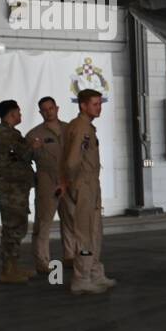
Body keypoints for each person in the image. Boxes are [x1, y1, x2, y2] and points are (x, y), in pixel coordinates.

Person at [60, 88, 114, 295]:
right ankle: (82, 277)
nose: (99, 108)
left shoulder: (85, 126)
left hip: (90, 184)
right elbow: (72, 161)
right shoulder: (82, 128)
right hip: (84, 185)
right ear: (83, 105)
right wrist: (74, 184)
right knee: (84, 234)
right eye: (95, 104)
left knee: (94, 231)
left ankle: (94, 272)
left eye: (100, 104)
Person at [0, 99, 41, 284]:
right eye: (18, 113)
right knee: (13, 229)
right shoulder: (7, 134)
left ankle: (13, 267)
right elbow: (24, 154)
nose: (20, 115)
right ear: (11, 114)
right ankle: (8, 271)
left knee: (15, 228)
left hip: (16, 187)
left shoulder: (7, 132)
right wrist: (33, 146)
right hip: (12, 188)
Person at [26, 96, 75, 277]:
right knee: (43, 223)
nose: (48, 112)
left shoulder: (69, 129)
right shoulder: (34, 134)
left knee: (70, 219)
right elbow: (24, 158)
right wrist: (32, 148)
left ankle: (70, 256)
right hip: (47, 181)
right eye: (44, 110)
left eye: (51, 108)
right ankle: (42, 262)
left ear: (57, 108)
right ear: (40, 112)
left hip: (68, 181)